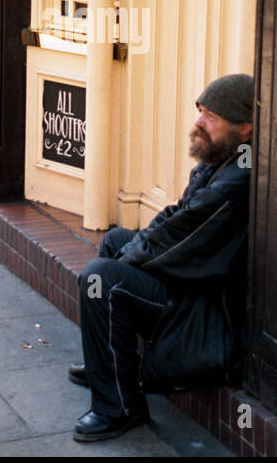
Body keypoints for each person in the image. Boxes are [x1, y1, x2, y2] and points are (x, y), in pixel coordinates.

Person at [69, 73, 253, 442]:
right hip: (188, 282)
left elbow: (180, 237)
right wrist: (130, 249)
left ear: (245, 129)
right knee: (117, 240)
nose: (199, 122)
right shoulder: (223, 160)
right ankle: (108, 368)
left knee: (100, 279)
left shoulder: (238, 179)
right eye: (200, 111)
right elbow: (175, 217)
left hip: (205, 306)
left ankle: (120, 407)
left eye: (211, 117)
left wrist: (128, 259)